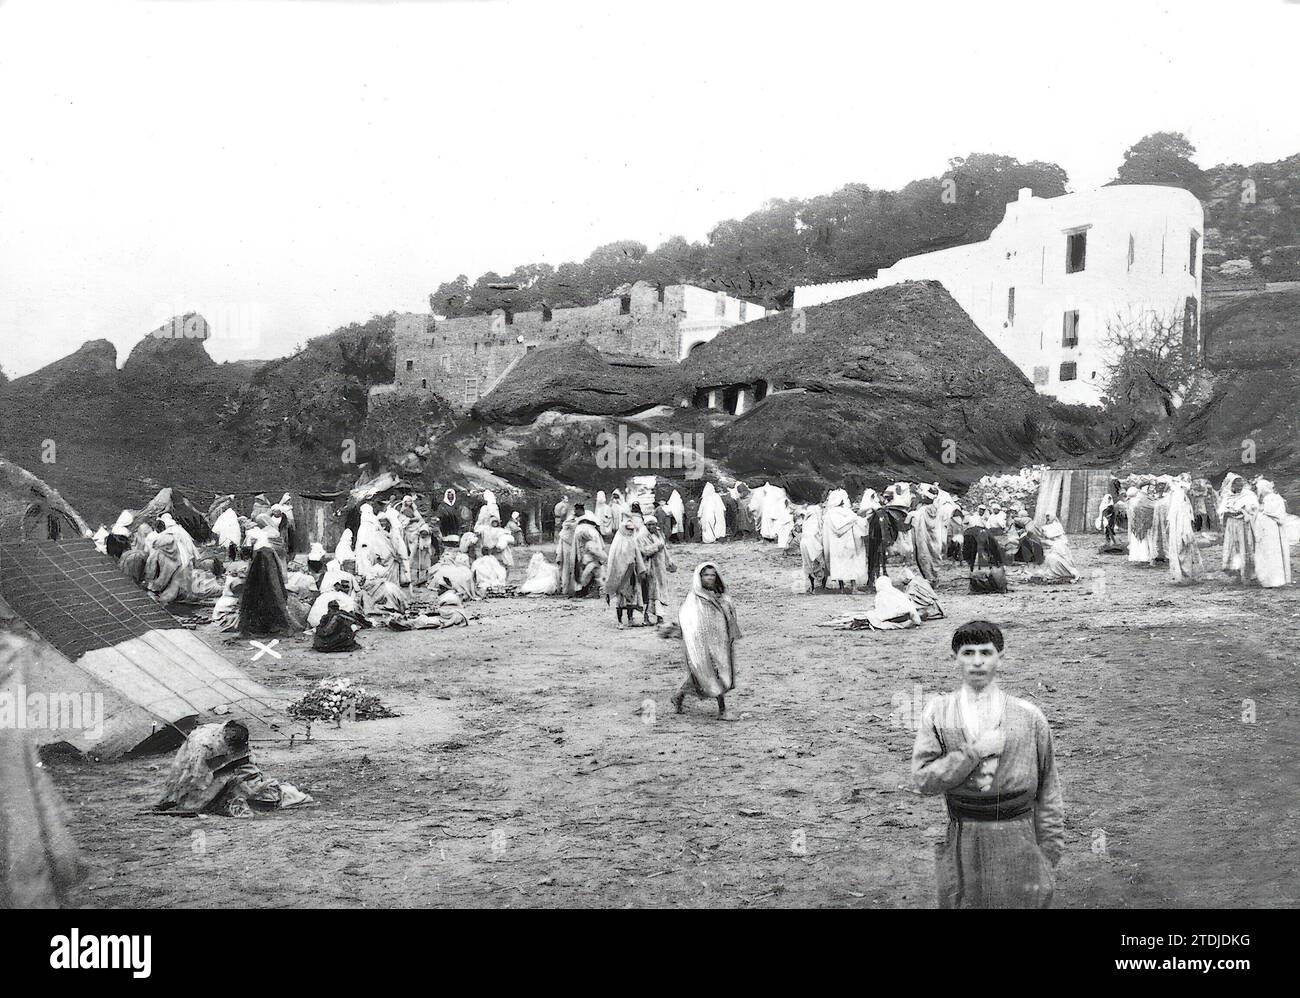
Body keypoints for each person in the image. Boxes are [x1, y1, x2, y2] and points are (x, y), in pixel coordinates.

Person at [912, 620, 1064, 909]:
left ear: (1000, 656)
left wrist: (1050, 852)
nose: (978, 662)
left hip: (1018, 837)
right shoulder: (940, 713)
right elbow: (923, 780)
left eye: (986, 652)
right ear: (954, 658)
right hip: (964, 836)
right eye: (968, 653)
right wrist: (973, 754)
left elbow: (1049, 790)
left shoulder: (1029, 716)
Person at [671, 563, 740, 719]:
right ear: (699, 577)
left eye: (712, 575)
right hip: (703, 643)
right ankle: (722, 710)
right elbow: (689, 621)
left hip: (720, 641)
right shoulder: (694, 599)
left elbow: (728, 615)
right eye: (706, 575)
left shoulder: (721, 596)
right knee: (713, 673)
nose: (709, 578)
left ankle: (679, 696)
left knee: (705, 674)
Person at [822, 489, 871, 592]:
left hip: (835, 546)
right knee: (851, 564)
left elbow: (829, 531)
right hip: (849, 544)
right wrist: (867, 518)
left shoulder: (829, 514)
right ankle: (854, 588)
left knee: (838, 565)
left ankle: (842, 588)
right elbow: (861, 524)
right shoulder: (848, 512)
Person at [603, 515, 648, 627]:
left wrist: (641, 569)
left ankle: (630, 619)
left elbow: (637, 556)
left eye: (632, 529)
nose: (630, 531)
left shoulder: (633, 540)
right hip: (620, 575)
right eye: (628, 529)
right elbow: (614, 560)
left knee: (631, 598)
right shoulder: (618, 542)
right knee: (620, 599)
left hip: (632, 573)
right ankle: (619, 621)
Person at [1253, 479, 1292, 588]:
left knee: (1271, 552)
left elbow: (1275, 513)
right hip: (1266, 529)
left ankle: (1274, 579)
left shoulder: (1273, 498)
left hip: (1270, 529)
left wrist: (1262, 512)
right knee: (1266, 552)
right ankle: (1267, 578)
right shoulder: (1267, 498)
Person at [1218, 473, 1258, 581]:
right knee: (1234, 547)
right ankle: (1236, 572)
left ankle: (1247, 572)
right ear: (1231, 485)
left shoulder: (1248, 495)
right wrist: (1227, 513)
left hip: (1243, 525)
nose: (1239, 488)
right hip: (1232, 525)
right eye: (1236, 486)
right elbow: (1221, 511)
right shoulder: (1228, 496)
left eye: (1241, 485)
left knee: (1244, 546)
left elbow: (1253, 509)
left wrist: (1244, 511)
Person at [1167, 477, 1205, 584]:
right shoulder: (1179, 497)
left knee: (1185, 550)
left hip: (1183, 526)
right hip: (1181, 527)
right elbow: (1180, 516)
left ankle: (1188, 574)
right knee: (1183, 549)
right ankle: (1185, 575)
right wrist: (1185, 531)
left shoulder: (1182, 497)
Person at [640, 515, 675, 622]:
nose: (652, 526)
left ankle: (660, 616)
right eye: (649, 524)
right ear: (645, 525)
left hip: (660, 567)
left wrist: (669, 561)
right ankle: (647, 616)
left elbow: (664, 548)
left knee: (660, 591)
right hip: (649, 566)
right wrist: (656, 547)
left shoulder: (658, 533)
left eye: (653, 524)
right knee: (651, 592)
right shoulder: (641, 536)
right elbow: (643, 551)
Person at [1027, 515, 1078, 584]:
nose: (1047, 519)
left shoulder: (1056, 529)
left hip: (1059, 559)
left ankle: (1057, 573)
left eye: (1048, 518)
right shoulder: (1053, 533)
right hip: (1056, 554)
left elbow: (1049, 537)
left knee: (1051, 558)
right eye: (1047, 518)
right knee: (1049, 558)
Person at [908, 493, 945, 585]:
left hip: (923, 538)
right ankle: (935, 577)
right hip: (936, 539)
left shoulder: (921, 511)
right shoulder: (938, 510)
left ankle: (929, 578)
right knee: (934, 556)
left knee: (924, 556)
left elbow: (913, 522)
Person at [799, 503, 826, 592]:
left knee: (808, 565)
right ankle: (819, 586)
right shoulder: (814, 521)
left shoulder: (806, 521)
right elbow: (815, 534)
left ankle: (813, 586)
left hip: (804, 544)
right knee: (817, 564)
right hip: (812, 543)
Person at [1127, 486, 1155, 565]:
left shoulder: (1130, 502)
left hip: (1135, 524)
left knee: (1136, 540)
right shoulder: (1140, 501)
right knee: (1143, 540)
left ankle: (1137, 557)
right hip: (1141, 523)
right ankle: (1144, 557)